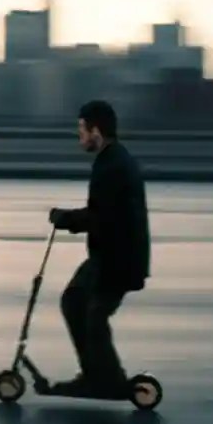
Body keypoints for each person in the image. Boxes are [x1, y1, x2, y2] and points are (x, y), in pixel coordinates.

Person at [43, 100, 151, 397]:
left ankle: (107, 380)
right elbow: (101, 211)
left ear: (96, 131)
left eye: (82, 130)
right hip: (107, 257)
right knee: (74, 300)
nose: (79, 136)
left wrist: (67, 219)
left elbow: (101, 216)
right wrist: (70, 217)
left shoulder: (113, 166)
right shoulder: (111, 160)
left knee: (94, 316)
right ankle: (96, 374)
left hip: (119, 261)